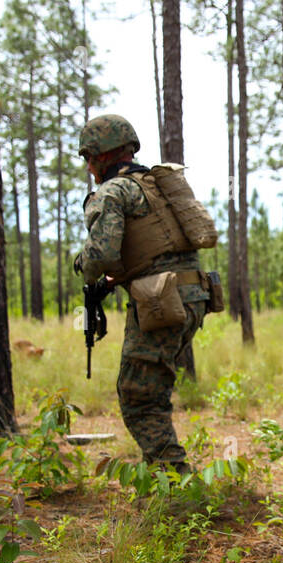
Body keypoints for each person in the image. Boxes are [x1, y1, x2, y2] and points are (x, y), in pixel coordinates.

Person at [75, 114, 209, 474]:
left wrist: (83, 266)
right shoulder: (155, 184)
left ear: (100, 157)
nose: (89, 168)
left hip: (161, 301)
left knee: (139, 397)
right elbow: (155, 249)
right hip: (196, 293)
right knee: (152, 387)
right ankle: (166, 476)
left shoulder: (114, 191)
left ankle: (175, 484)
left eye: (89, 159)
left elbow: (101, 255)